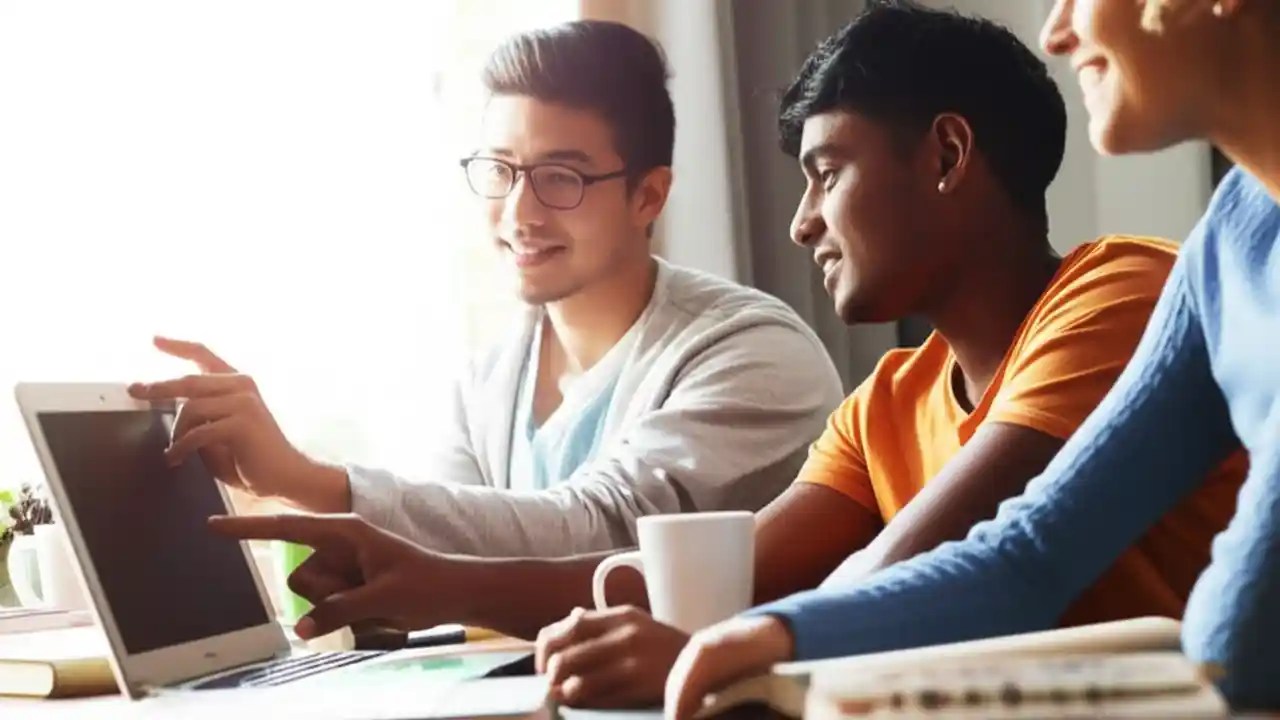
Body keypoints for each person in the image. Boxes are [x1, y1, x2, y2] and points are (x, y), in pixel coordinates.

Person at [209, 3, 1245, 708]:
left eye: (825, 173)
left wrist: (731, 646)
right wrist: (437, 581)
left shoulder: (1119, 290)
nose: (800, 224)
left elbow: (949, 558)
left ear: (944, 156)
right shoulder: (886, 398)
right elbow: (721, 570)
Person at [661, 0, 1280, 714]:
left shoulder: (1127, 286)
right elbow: (1030, 553)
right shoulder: (1230, 242)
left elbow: (1251, 631)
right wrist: (769, 635)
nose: (1056, 31)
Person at [129, 20, 844, 560]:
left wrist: (309, 478)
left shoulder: (753, 352)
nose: (520, 212)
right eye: (501, 170)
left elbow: (602, 528)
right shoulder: (486, 382)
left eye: (561, 177)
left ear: (648, 196)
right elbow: (448, 544)